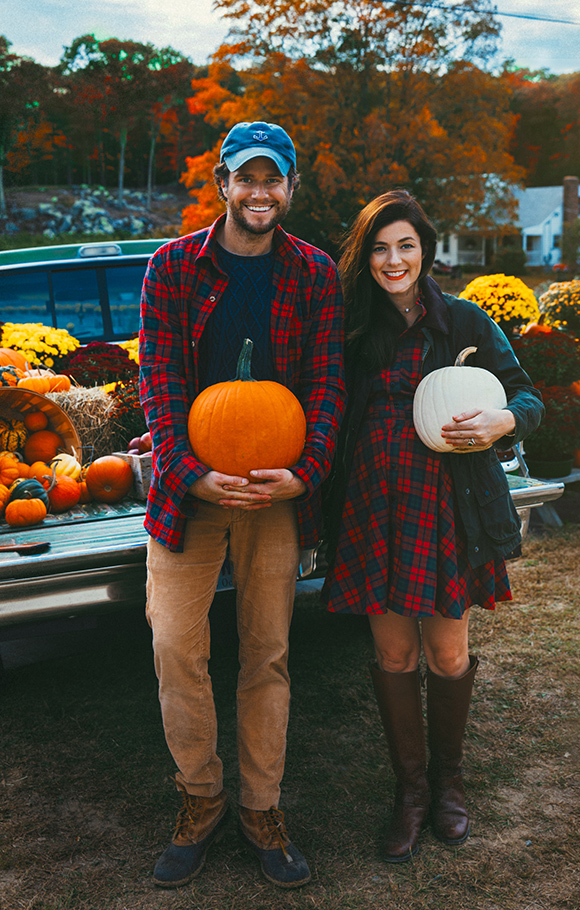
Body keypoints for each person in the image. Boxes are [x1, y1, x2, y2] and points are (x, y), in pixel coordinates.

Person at [139, 121, 345, 889]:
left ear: (291, 187)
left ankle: (260, 804)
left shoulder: (314, 273)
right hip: (186, 493)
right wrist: (188, 471)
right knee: (174, 647)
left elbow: (327, 385)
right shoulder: (173, 267)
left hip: (276, 492)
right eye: (246, 178)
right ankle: (202, 795)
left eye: (274, 178)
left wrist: (307, 471)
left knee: (268, 653)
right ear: (222, 183)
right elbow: (157, 381)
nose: (260, 192)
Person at [322, 190, 543, 864]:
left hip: (445, 507)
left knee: (446, 654)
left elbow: (527, 394)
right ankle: (409, 792)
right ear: (367, 256)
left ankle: (449, 785)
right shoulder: (351, 325)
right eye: (381, 247)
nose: (394, 259)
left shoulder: (463, 321)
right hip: (371, 507)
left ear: (426, 250)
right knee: (394, 655)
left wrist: (503, 421)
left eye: (406, 245)